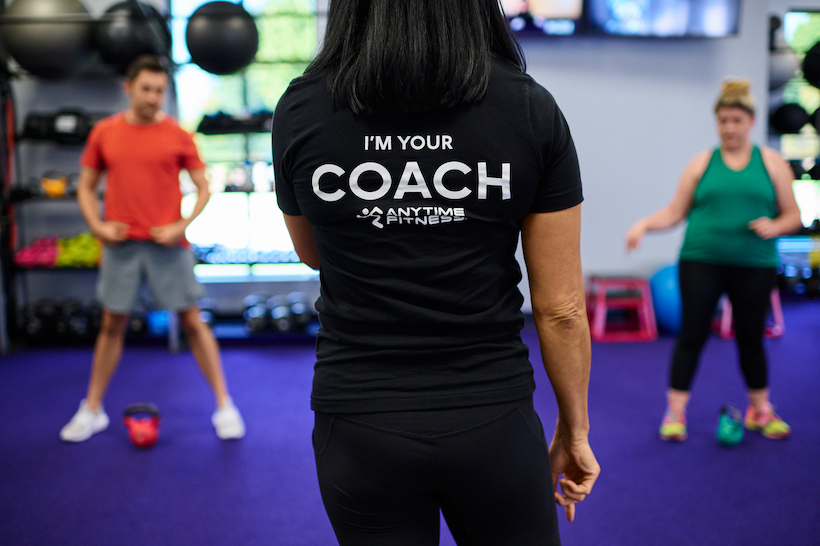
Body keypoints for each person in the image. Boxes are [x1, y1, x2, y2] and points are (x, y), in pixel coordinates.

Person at [273, 1, 599, 544]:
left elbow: (313, 251)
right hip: (492, 420)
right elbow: (560, 308)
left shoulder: (302, 106)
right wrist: (575, 428)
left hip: (359, 425)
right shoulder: (527, 105)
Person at [59, 55, 245, 443]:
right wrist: (97, 227)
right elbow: (85, 187)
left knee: (192, 321)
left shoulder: (178, 135)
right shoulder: (105, 132)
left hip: (168, 244)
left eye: (159, 90)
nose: (152, 97)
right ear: (128, 88)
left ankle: (224, 404)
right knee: (111, 324)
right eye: (146, 89)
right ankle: (92, 409)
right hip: (121, 245)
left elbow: (204, 187)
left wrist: (180, 225)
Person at [625, 78, 802, 442]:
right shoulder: (702, 163)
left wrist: (775, 225)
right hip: (701, 261)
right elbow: (675, 212)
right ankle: (675, 413)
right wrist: (644, 225)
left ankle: (760, 411)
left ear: (751, 122)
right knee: (692, 335)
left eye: (737, 120)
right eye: (723, 120)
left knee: (751, 338)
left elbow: (794, 215)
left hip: (754, 264)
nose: (729, 128)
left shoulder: (771, 163)